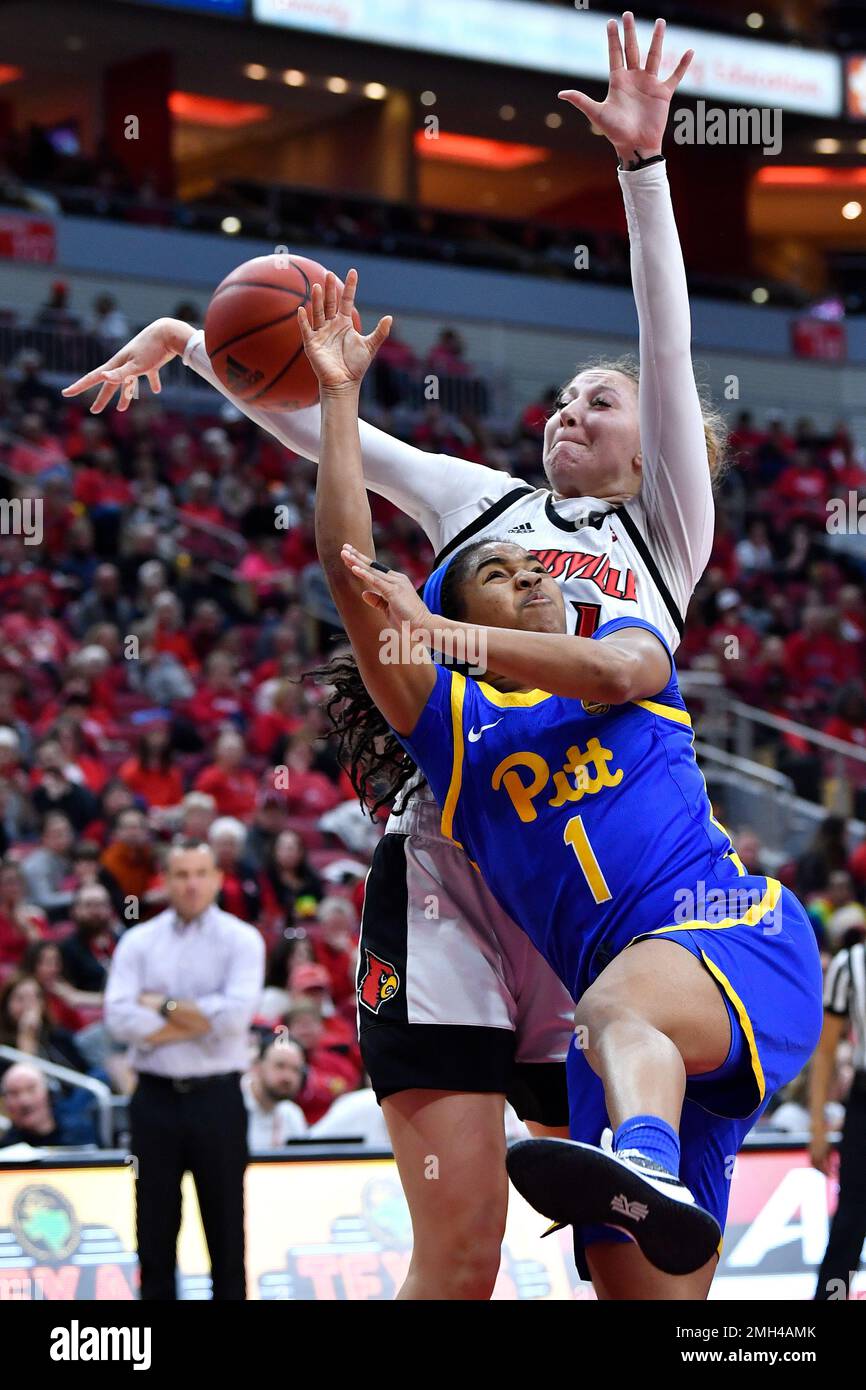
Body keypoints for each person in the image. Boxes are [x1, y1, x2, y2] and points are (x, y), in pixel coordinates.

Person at [64, 12, 720, 1299]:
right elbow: (322, 423)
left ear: (653, 447)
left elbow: (667, 338)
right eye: (564, 395)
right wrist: (189, 344)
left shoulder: (663, 534)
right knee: (460, 1247)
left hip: (581, 900)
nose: (572, 406)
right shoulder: (474, 494)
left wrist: (642, 173)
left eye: (601, 398)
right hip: (448, 869)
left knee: (632, 1268)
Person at [298, 246, 823, 1298]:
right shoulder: (449, 730)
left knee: (609, 1014)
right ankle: (644, 1164)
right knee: (647, 1298)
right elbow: (350, 570)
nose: (532, 567)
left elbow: (614, 664)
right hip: (617, 1004)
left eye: (536, 561)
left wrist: (446, 632)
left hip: (723, 935)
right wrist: (338, 397)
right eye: (501, 566)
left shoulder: (624, 634)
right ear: (456, 592)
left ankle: (636, 1152)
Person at [104, 840, 265, 1301]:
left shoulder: (243, 939)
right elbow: (119, 1020)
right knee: (153, 1234)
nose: (191, 883)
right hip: (153, 1099)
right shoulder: (138, 940)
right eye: (181, 874)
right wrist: (202, 1022)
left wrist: (163, 1007)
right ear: (166, 881)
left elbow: (235, 1020)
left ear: (217, 878)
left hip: (218, 1099)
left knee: (227, 1237)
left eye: (200, 873)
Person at [810, 935, 866, 1300]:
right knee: (849, 1221)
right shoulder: (850, 963)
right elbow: (825, 1051)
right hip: (864, 1102)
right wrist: (817, 1124)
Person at [0, 1062, 99, 1148]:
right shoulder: (6, 1149)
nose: (24, 1101)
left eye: (31, 1089)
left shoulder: (81, 1134)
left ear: (48, 1092)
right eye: (14, 1093)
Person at [242, 1037, 308, 1150]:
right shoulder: (227, 1105)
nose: (288, 1077)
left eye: (296, 1069)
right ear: (257, 1066)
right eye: (280, 1066)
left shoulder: (292, 1114)